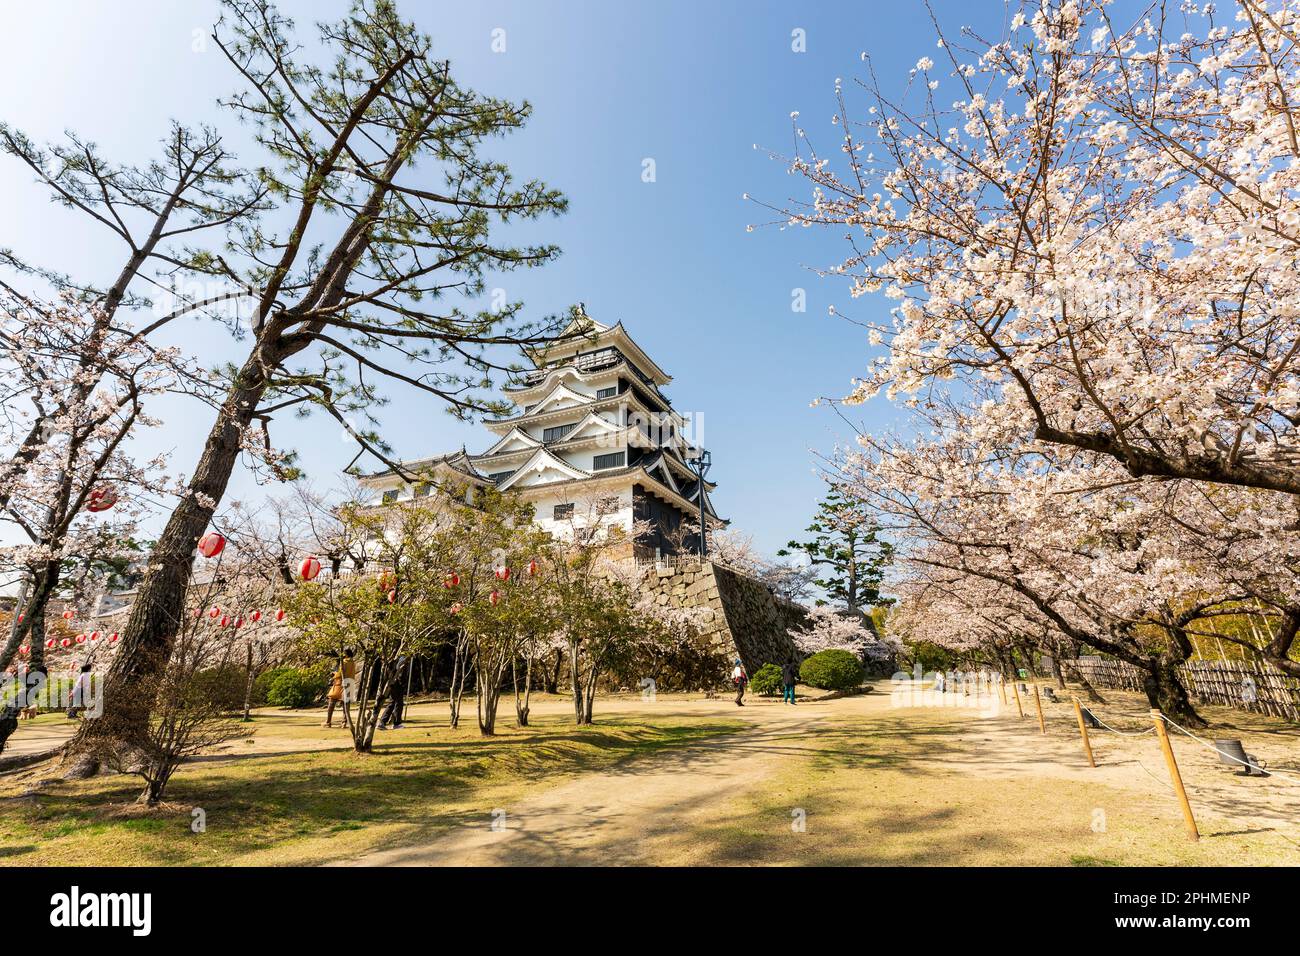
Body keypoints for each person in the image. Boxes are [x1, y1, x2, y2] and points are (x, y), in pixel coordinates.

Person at [323, 649, 356, 728]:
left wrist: (334, 675)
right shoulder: (353, 663)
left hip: (340, 684)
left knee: (331, 702)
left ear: (346, 654)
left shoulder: (344, 662)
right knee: (346, 704)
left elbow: (340, 674)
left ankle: (328, 722)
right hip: (350, 683)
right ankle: (344, 722)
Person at [377, 655, 408, 730]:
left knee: (393, 702)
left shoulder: (395, 657)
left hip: (393, 682)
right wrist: (401, 682)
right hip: (396, 682)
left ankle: (383, 722)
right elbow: (400, 671)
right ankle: (396, 723)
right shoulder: (400, 658)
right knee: (398, 702)